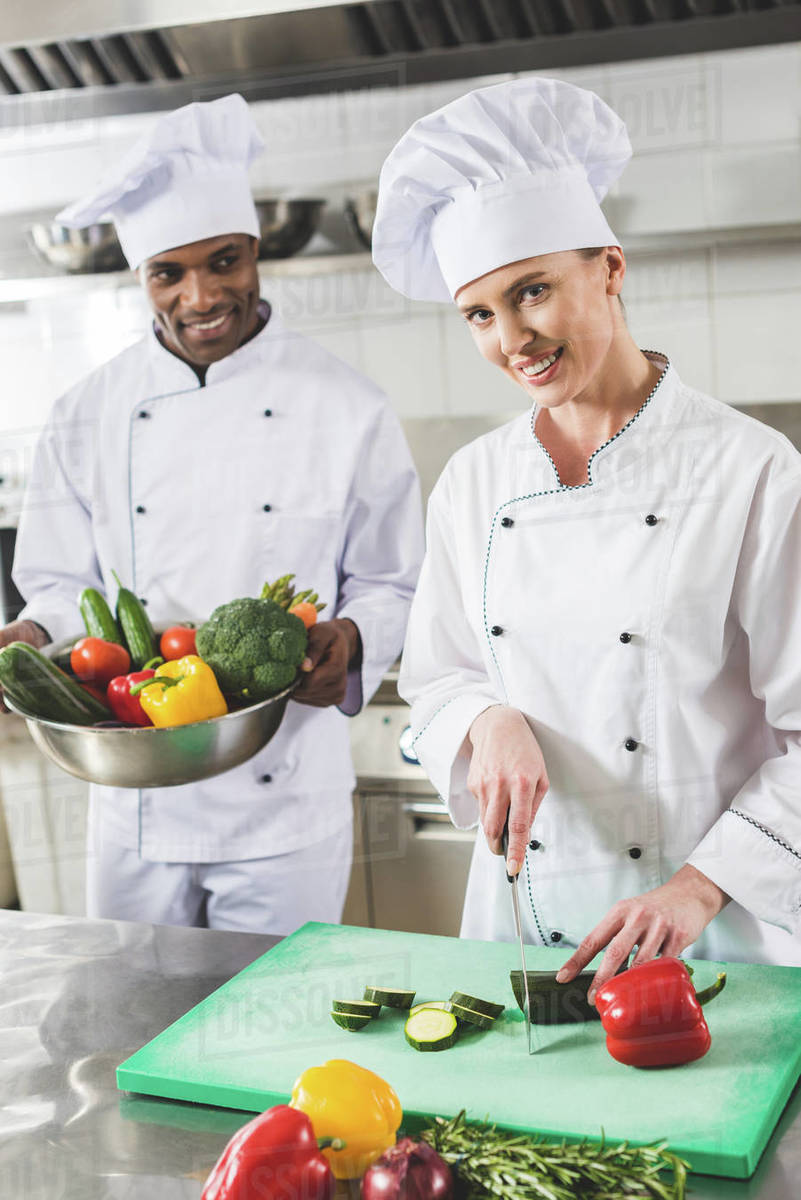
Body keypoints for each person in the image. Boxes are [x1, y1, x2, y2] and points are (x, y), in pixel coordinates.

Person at [371, 76, 801, 999]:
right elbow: (437, 678)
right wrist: (487, 722)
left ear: (609, 267)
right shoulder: (474, 483)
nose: (511, 339)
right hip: (521, 929)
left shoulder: (751, 471)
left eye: (532, 292)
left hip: (706, 935)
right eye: (479, 314)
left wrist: (695, 888)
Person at [2, 94, 424, 934]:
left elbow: (393, 580)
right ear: (141, 278)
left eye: (223, 262)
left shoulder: (347, 405)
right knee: (130, 1020)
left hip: (285, 799)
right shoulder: (87, 410)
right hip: (135, 798)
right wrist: (32, 639)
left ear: (254, 253)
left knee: (269, 1034)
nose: (200, 295)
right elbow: (56, 584)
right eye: (169, 272)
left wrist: (348, 644)